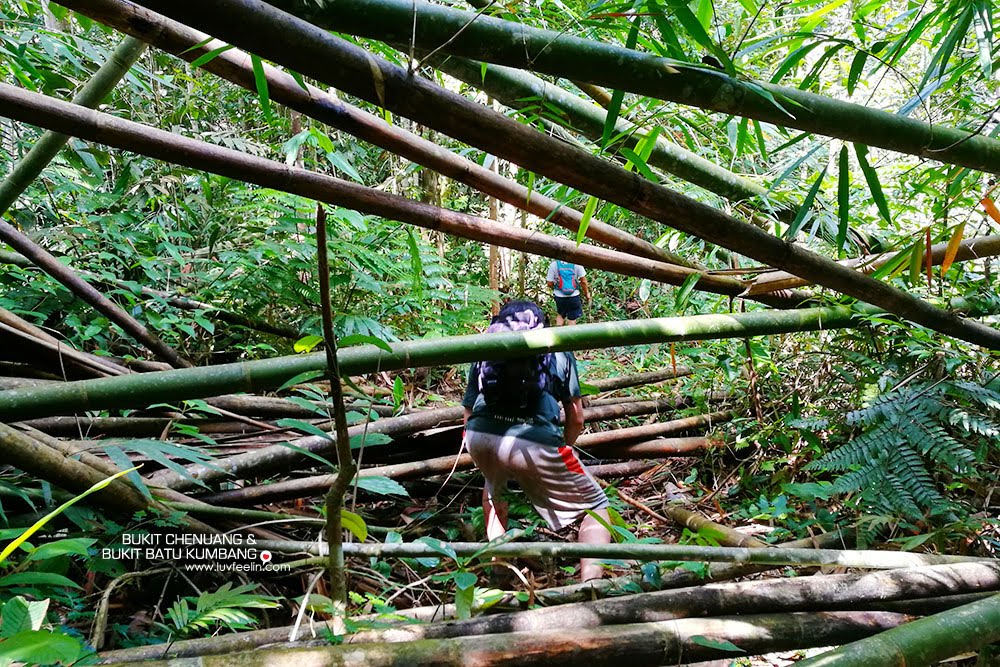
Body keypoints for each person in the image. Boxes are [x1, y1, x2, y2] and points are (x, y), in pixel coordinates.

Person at [461, 300, 611, 582]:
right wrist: (561, 447)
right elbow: (576, 417)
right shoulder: (557, 348)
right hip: (534, 439)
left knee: (494, 492)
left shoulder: (486, 346)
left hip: (480, 435)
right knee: (597, 508)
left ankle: (499, 567)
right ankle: (591, 585)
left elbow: (468, 413)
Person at [546, 260, 590, 325]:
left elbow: (549, 283)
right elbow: (583, 281)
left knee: (560, 315)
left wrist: (558, 287)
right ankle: (571, 334)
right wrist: (587, 294)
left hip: (559, 296)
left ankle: (558, 333)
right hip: (574, 296)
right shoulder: (577, 263)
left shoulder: (554, 264)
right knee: (572, 318)